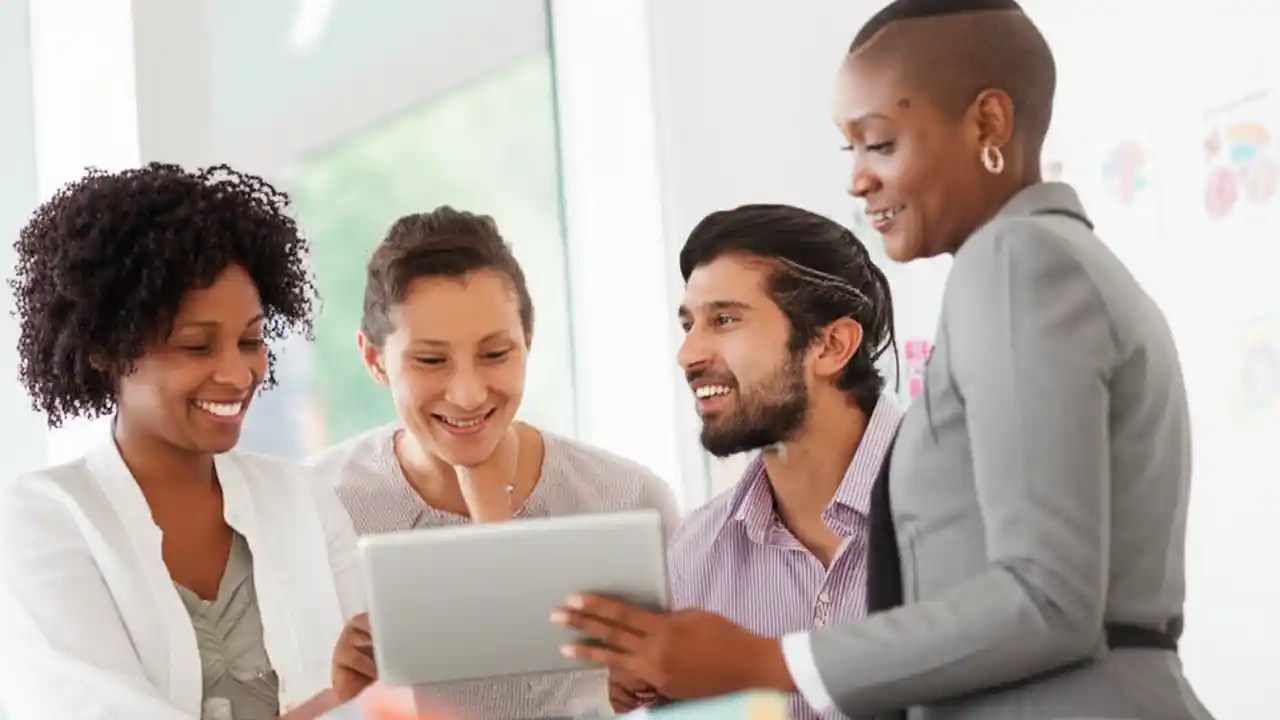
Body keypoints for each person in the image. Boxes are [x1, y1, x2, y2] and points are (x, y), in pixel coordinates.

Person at [553, 1, 1214, 718]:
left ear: (988, 124)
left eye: (880, 144)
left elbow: (1047, 596)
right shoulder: (1052, 262)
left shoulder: (1017, 261)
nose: (858, 181)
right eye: (852, 151)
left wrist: (763, 659)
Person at [0, 163, 370, 720]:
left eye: (250, 340)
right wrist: (334, 702)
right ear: (106, 350)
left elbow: (382, 696)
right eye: (197, 347)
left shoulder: (301, 498)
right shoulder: (43, 520)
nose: (237, 373)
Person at [309, 207, 681, 719]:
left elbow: (690, 700)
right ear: (375, 360)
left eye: (496, 354)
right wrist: (345, 702)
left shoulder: (627, 501)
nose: (466, 394)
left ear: (528, 341)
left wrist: (653, 688)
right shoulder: (315, 508)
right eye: (431, 360)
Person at [609, 204, 901, 720]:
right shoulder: (695, 558)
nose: (689, 355)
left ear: (831, 345)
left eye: (724, 320)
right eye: (688, 325)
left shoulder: (965, 507)